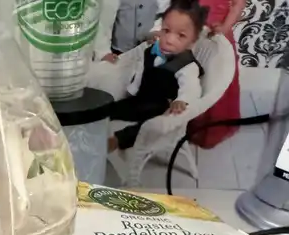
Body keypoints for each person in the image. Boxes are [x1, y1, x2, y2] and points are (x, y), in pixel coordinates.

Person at [102, 0, 208, 152]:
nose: (169, 40)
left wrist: (181, 100)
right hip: (142, 99)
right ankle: (94, 120)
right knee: (114, 108)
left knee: (147, 127)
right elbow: (141, 70)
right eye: (166, 30)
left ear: (192, 41)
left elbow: (191, 87)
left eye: (181, 36)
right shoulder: (151, 50)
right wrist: (132, 89)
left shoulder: (186, 65)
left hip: (163, 107)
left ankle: (119, 139)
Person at [187, 0, 246, 148]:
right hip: (193, 27)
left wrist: (225, 27)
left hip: (216, 30)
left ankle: (210, 127)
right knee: (191, 75)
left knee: (216, 76)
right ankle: (185, 120)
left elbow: (238, 4)